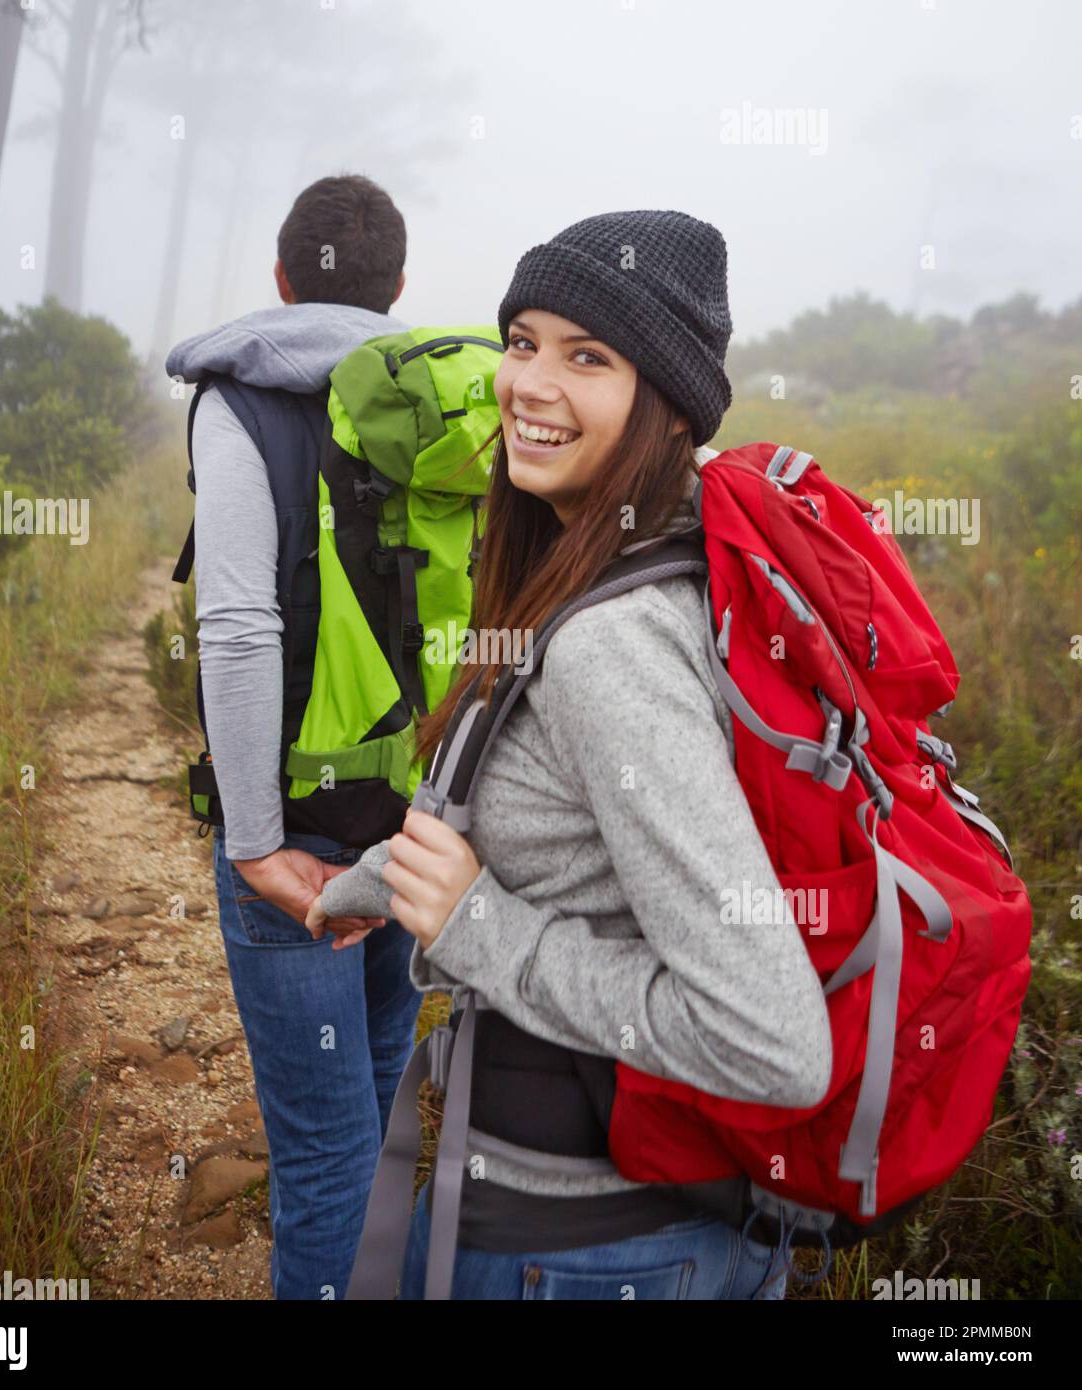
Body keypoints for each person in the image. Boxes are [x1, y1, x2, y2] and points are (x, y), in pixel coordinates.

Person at [308, 209, 835, 1300]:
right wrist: (374, 883)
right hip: (639, 1230)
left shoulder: (610, 644)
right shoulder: (642, 551)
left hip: (594, 1248)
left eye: (587, 357)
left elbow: (773, 1041)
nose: (529, 384)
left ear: (666, 402)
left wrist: (476, 926)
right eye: (522, 341)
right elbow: (553, 808)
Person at [165, 174, 423, 1301]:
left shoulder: (239, 399)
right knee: (383, 1134)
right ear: (399, 288)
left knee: (326, 1153)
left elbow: (236, 623)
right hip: (415, 833)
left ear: (280, 279)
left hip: (299, 847)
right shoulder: (446, 402)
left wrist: (259, 845)